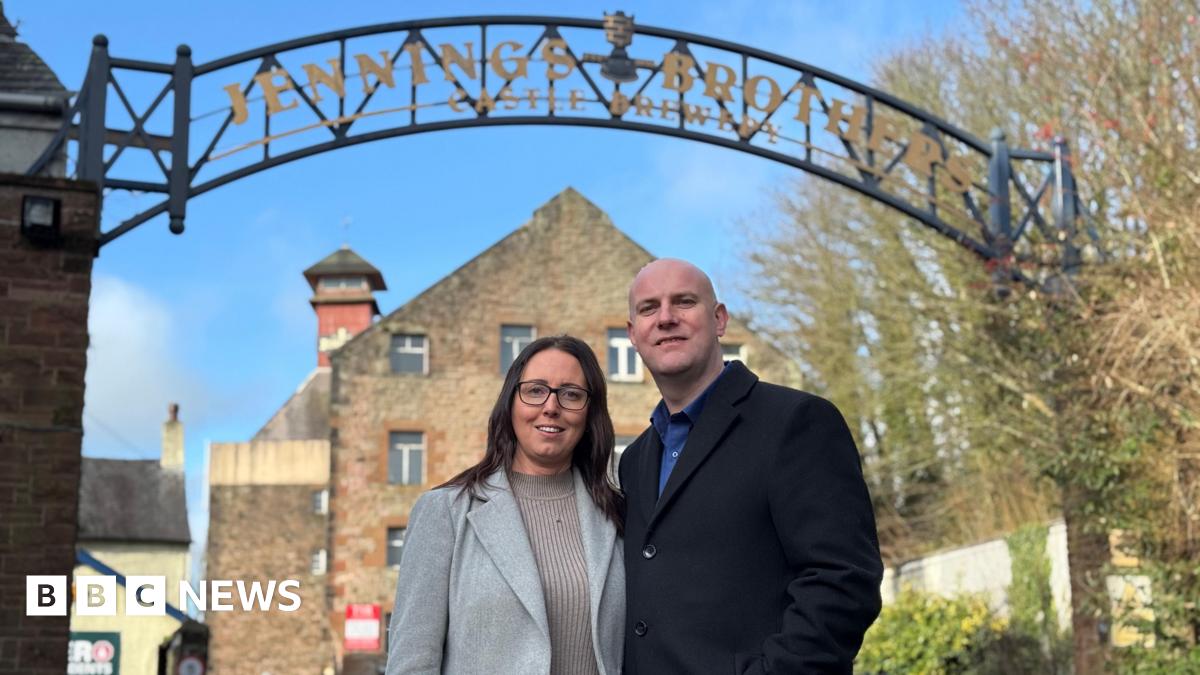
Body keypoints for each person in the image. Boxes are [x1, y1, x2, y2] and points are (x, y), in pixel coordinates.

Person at [619, 259, 883, 674]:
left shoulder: (797, 421)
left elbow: (842, 581)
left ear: (719, 319)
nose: (666, 317)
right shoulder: (634, 460)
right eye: (649, 308)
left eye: (684, 302)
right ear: (633, 335)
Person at [386, 336, 625, 675]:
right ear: (511, 402)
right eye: (535, 390)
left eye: (571, 394)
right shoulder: (444, 512)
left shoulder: (617, 516)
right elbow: (411, 663)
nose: (551, 406)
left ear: (591, 413)